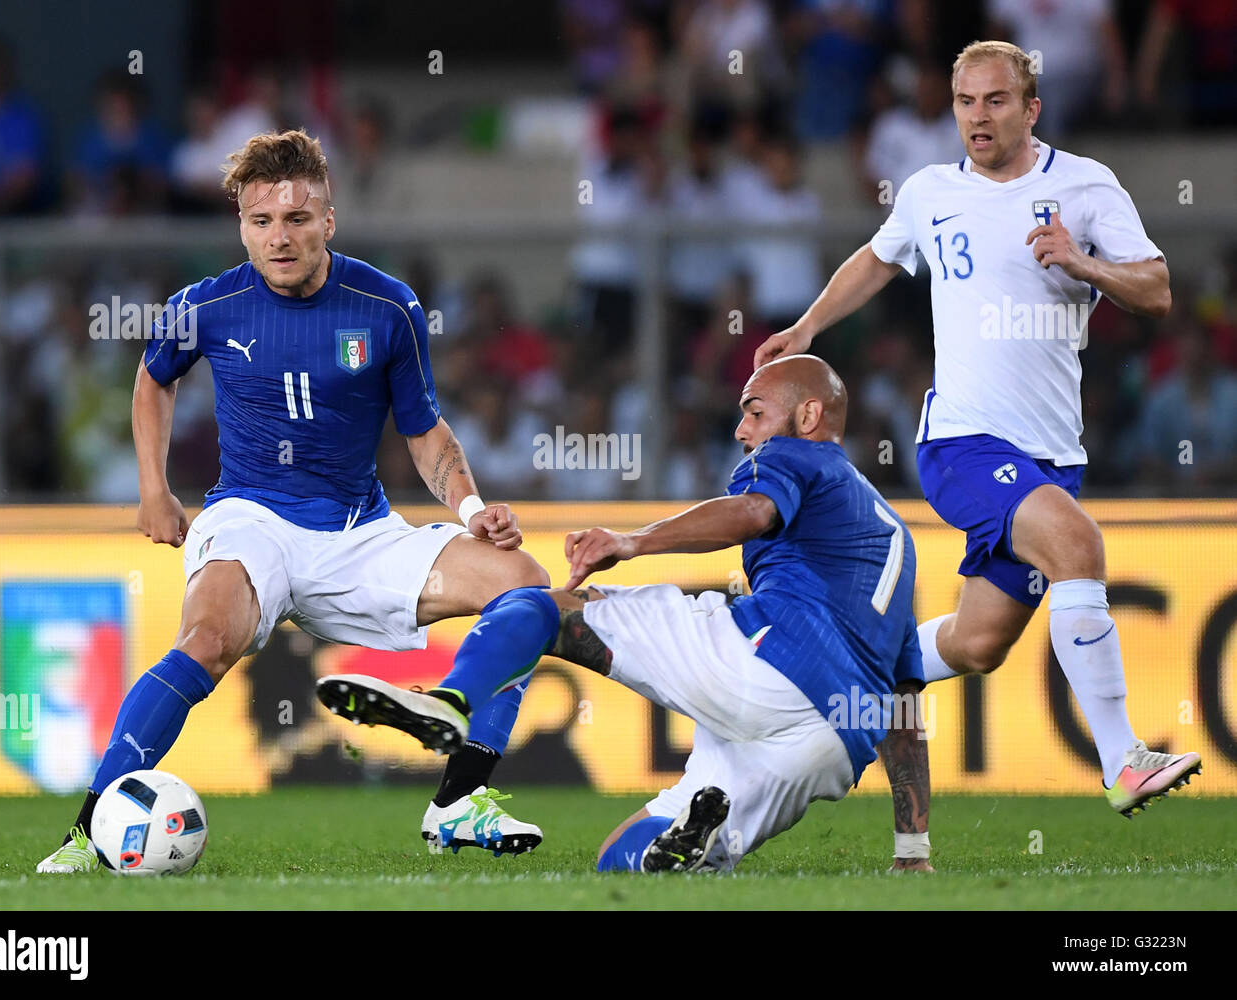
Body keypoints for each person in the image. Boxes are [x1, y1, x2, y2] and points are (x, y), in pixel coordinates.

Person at [36, 129, 549, 873]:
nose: (279, 238)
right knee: (207, 642)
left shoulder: (388, 306)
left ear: (329, 222)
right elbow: (153, 380)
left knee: (525, 586)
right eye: (261, 221)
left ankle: (458, 803)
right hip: (252, 521)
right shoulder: (207, 305)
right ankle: (89, 832)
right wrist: (154, 489)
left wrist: (474, 513)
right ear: (241, 224)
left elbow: (424, 432)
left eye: (297, 219)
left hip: (360, 533)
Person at [755, 41, 1201, 816]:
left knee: (977, 643)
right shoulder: (931, 192)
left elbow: (1157, 289)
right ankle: (1121, 761)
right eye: (966, 102)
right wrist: (806, 326)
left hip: (1051, 455)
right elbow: (878, 256)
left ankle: (878, 668)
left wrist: (1085, 264)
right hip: (962, 444)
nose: (977, 118)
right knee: (1078, 547)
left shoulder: (1087, 186)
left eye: (995, 101)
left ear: (1031, 108)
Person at [316, 355, 934, 873]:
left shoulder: (801, 456)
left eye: (754, 411)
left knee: (536, 607)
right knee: (621, 861)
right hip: (828, 747)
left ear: (808, 416)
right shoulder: (897, 544)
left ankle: (451, 703)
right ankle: (692, 839)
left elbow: (753, 513)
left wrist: (633, 541)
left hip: (768, 663)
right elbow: (905, 704)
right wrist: (913, 847)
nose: (743, 431)